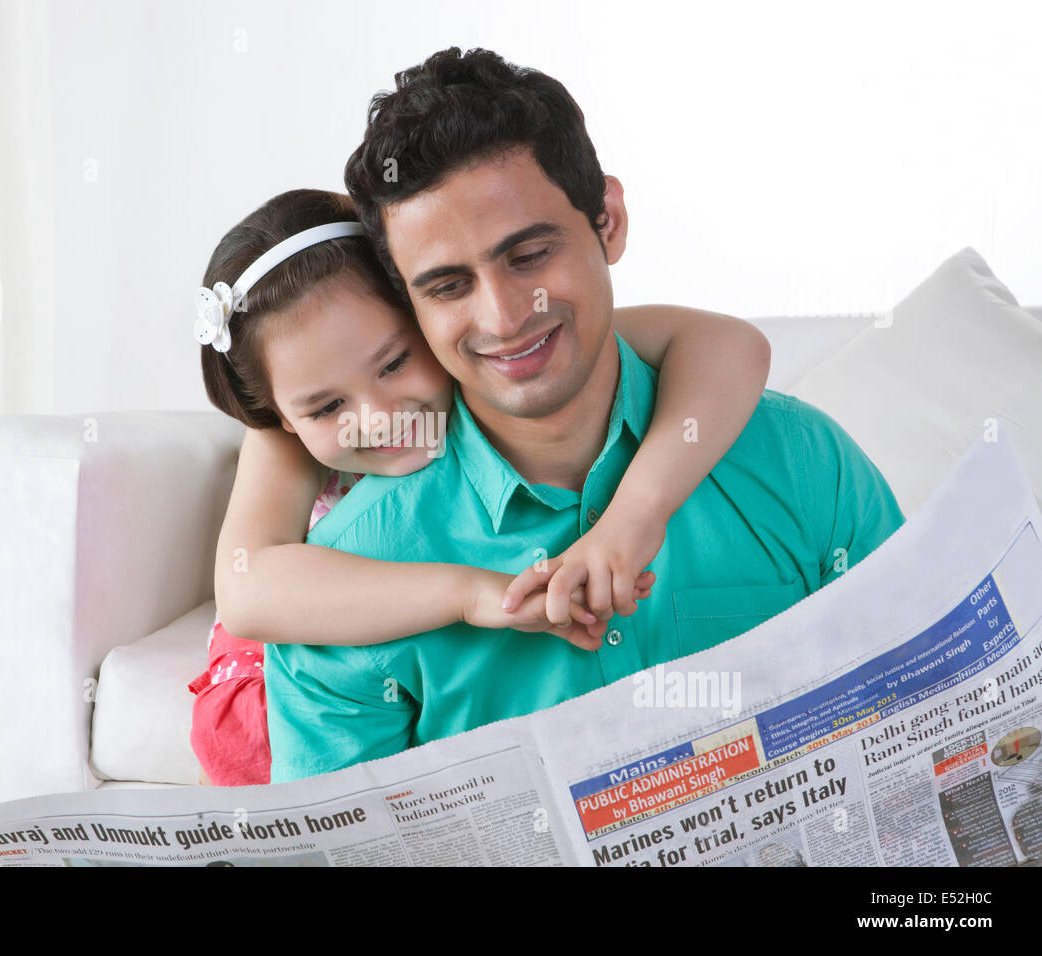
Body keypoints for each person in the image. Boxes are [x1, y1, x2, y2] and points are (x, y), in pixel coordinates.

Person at [263, 47, 906, 782]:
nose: (504, 318)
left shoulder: (801, 462)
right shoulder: (349, 584)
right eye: (447, 286)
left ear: (609, 220)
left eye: (530, 255)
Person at [190, 187, 774, 785]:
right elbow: (246, 592)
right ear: (282, 415)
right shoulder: (284, 433)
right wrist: (469, 595)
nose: (377, 416)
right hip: (284, 694)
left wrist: (632, 518)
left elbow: (732, 345)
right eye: (326, 407)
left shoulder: (515, 347)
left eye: (394, 364)